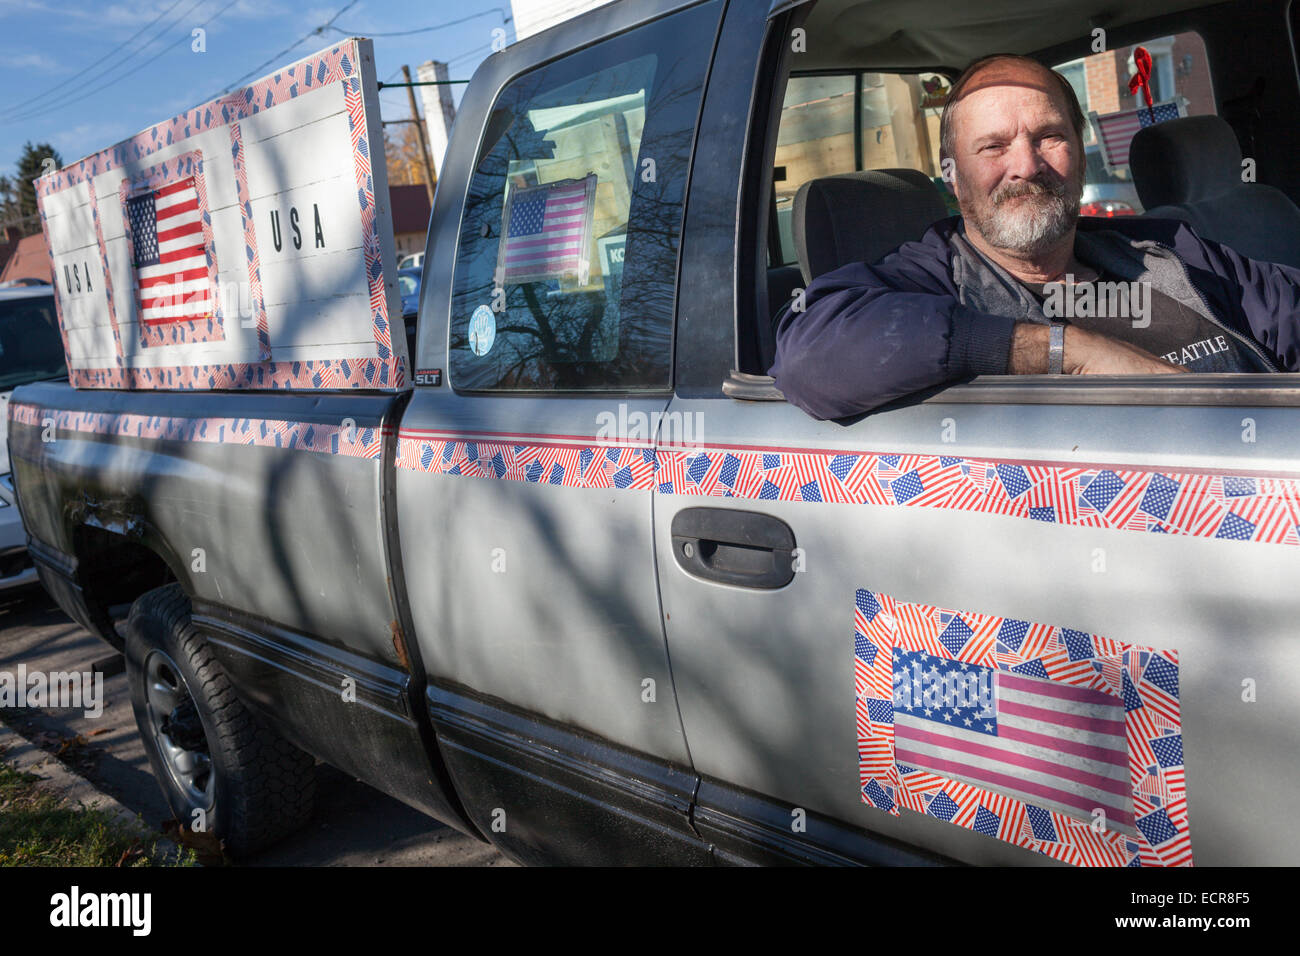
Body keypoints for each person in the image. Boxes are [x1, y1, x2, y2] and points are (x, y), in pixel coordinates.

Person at [769, 54, 1300, 420]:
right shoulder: (928, 280)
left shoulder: (1169, 248)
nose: (1026, 165)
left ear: (1079, 152)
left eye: (1049, 137)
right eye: (993, 146)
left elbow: (1287, 312)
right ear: (953, 174)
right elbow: (807, 353)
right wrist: (1069, 352)